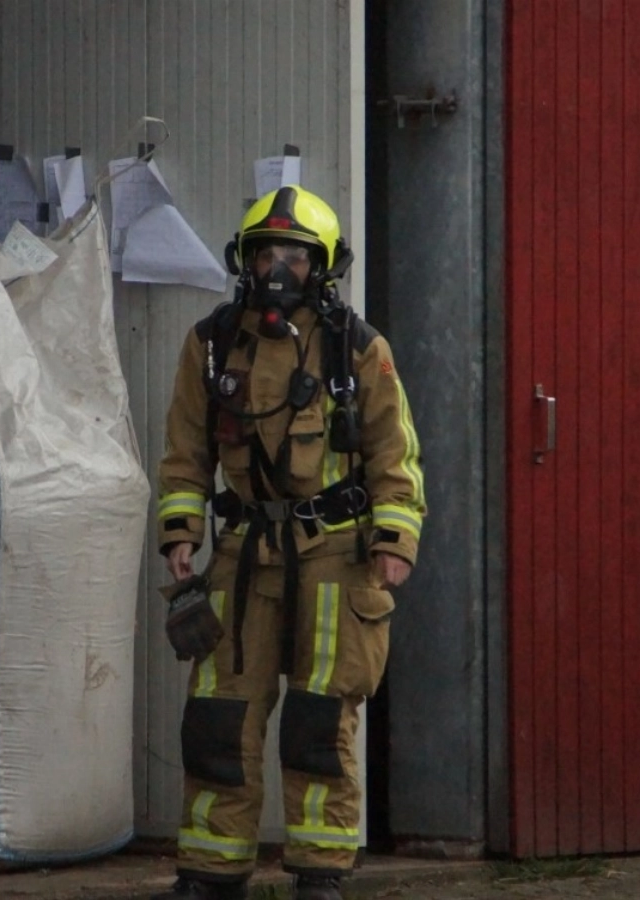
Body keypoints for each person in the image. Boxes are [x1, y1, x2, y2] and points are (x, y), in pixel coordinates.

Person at [154, 185, 426, 900]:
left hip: (335, 558)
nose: (279, 268)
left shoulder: (357, 349)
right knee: (219, 717)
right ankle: (211, 871)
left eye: (296, 256)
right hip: (241, 556)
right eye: (266, 252)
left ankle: (320, 872)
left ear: (324, 266)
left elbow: (396, 457)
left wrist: (395, 539)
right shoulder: (211, 345)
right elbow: (184, 452)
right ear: (244, 260)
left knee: (318, 718)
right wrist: (181, 533)